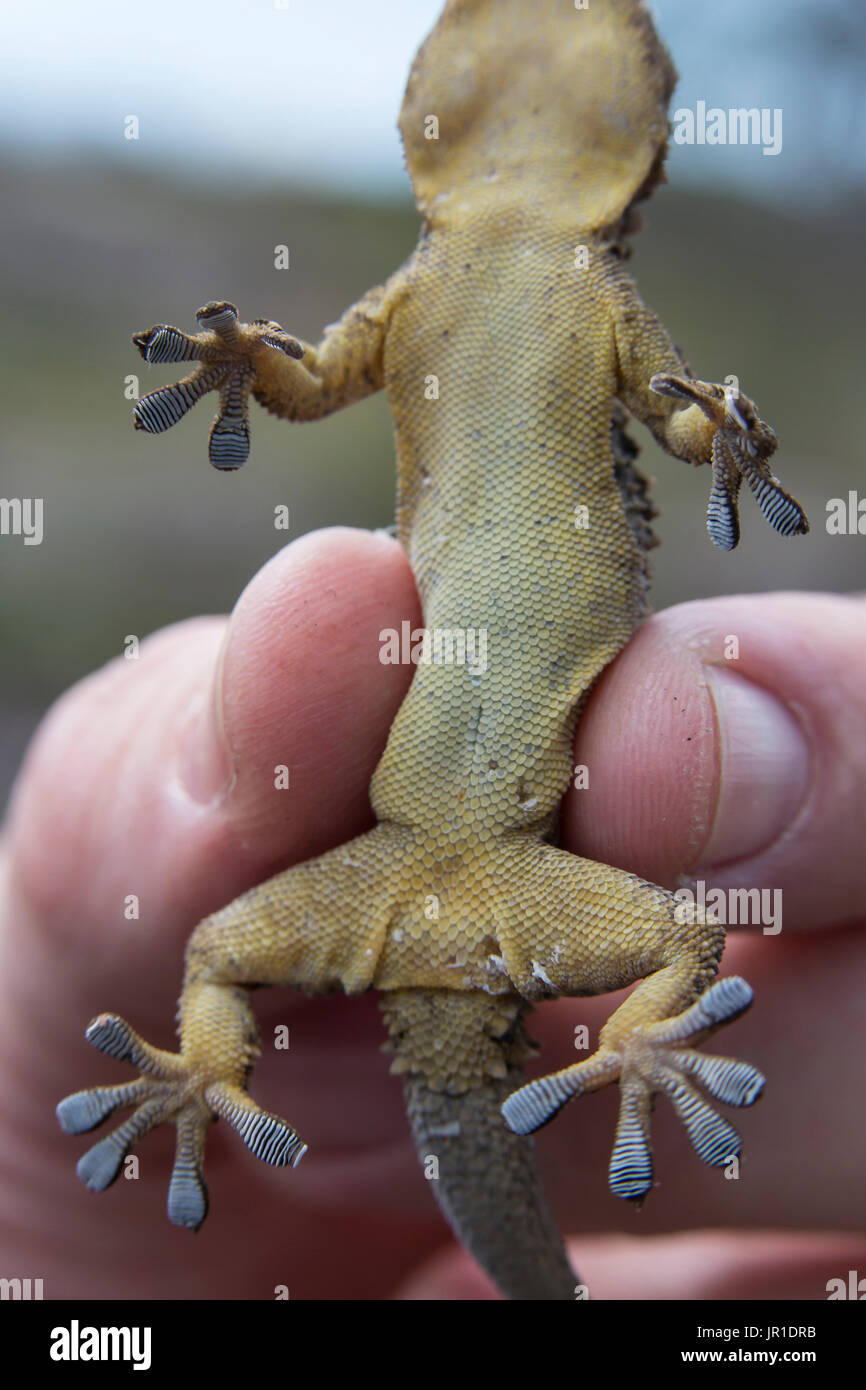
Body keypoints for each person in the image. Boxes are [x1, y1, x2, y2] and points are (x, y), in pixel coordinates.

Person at [1, 528, 863, 1299]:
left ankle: (209, 1070)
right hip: (424, 880)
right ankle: (212, 1068)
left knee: (222, 954)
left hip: (445, 885)